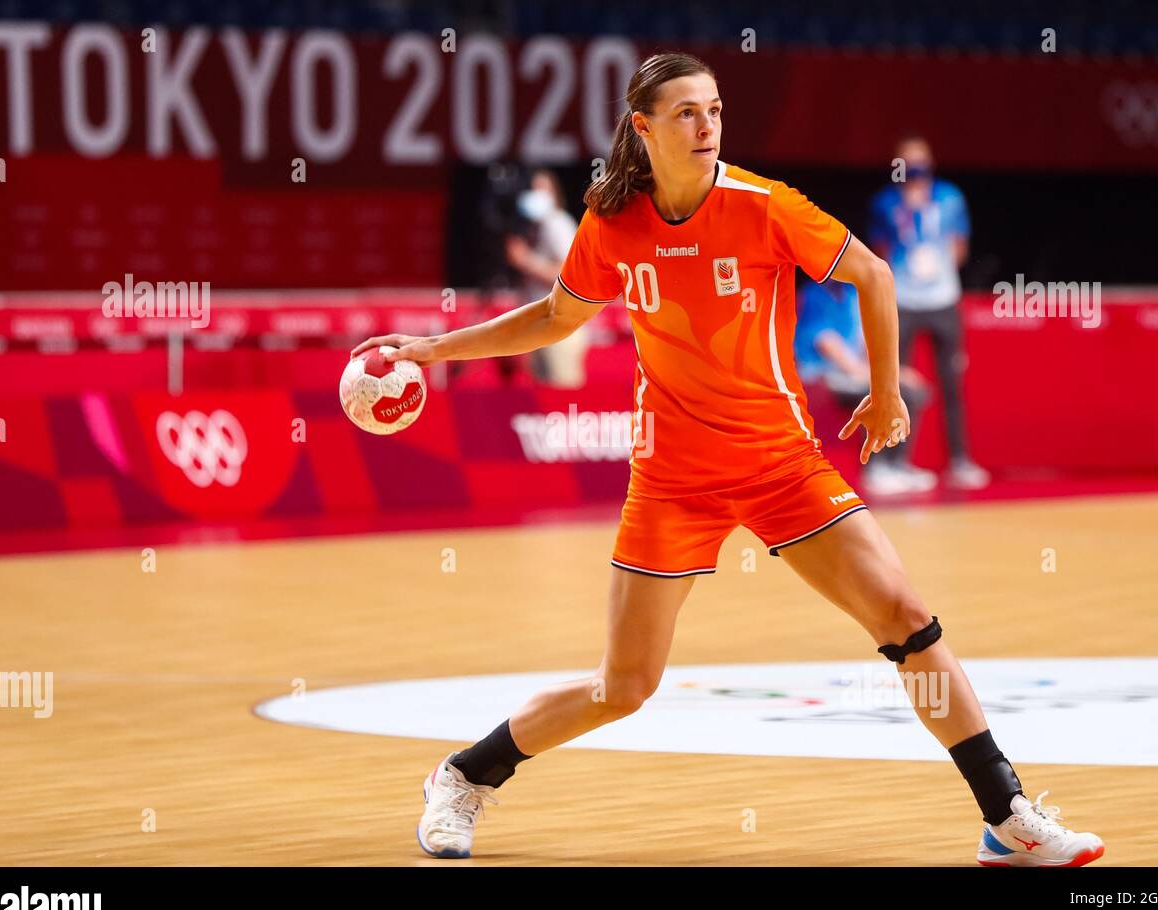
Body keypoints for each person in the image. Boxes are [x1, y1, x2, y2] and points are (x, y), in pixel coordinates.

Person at [351, 53, 1103, 867]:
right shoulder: (614, 224)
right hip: (672, 480)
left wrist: (886, 394)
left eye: (713, 110)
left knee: (907, 623)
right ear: (643, 128)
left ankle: (1007, 816)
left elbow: (874, 275)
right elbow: (554, 318)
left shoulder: (764, 206)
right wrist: (434, 347)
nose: (706, 125)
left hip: (780, 463)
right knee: (625, 686)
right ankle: (464, 776)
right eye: (685, 113)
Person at [868, 136, 990, 490]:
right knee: (894, 383)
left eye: (920, 165)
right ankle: (889, 465)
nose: (914, 173)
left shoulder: (950, 198)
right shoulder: (885, 203)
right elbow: (881, 253)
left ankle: (960, 461)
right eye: (907, 165)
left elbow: (959, 247)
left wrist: (937, 271)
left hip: (943, 300)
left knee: (952, 383)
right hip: (904, 302)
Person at [795, 278, 937, 495]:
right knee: (874, 393)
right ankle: (876, 470)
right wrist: (873, 377)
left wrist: (892, 374)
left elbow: (867, 340)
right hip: (822, 376)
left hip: (857, 374)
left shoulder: (853, 294)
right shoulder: (814, 295)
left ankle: (897, 465)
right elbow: (826, 343)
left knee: (907, 392)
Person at [504, 169, 590, 388]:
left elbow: (571, 275)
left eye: (542, 189)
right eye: (533, 189)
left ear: (554, 193)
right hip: (538, 325)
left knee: (564, 400)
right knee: (542, 399)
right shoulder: (531, 227)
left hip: (562, 327)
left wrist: (526, 261)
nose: (536, 194)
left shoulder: (558, 224)